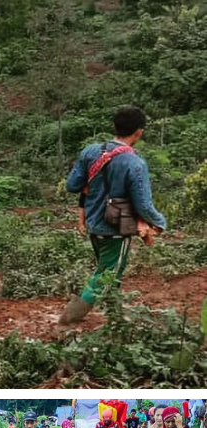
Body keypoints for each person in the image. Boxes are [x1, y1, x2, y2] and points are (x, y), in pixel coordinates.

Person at [61, 106, 166, 325]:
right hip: (116, 227)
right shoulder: (135, 163)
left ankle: (115, 314)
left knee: (109, 271)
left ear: (114, 127)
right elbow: (144, 205)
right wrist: (160, 222)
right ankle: (70, 317)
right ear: (139, 132)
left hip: (93, 225)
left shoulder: (90, 151)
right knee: (106, 274)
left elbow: (72, 185)